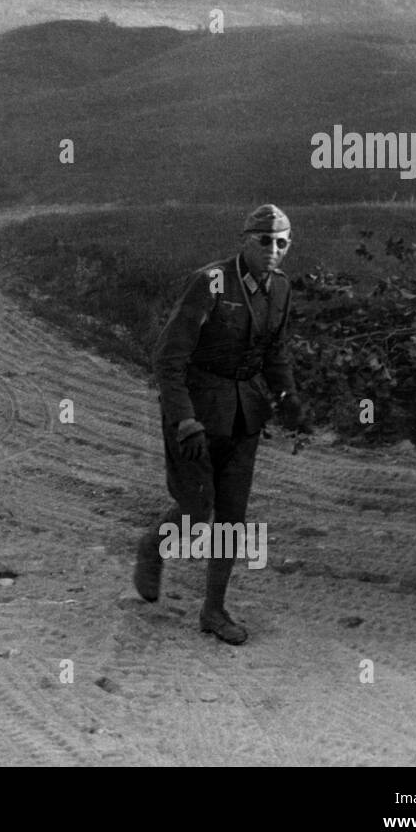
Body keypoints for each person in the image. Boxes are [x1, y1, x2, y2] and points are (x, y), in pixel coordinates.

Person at [133, 204, 310, 646]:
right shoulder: (211, 282)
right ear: (244, 241)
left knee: (232, 517)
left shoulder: (282, 289)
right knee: (196, 510)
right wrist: (183, 418)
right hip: (196, 413)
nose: (273, 251)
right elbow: (169, 357)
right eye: (263, 241)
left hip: (245, 414)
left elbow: (276, 351)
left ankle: (213, 611)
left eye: (281, 243)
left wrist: (287, 396)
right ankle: (153, 548)